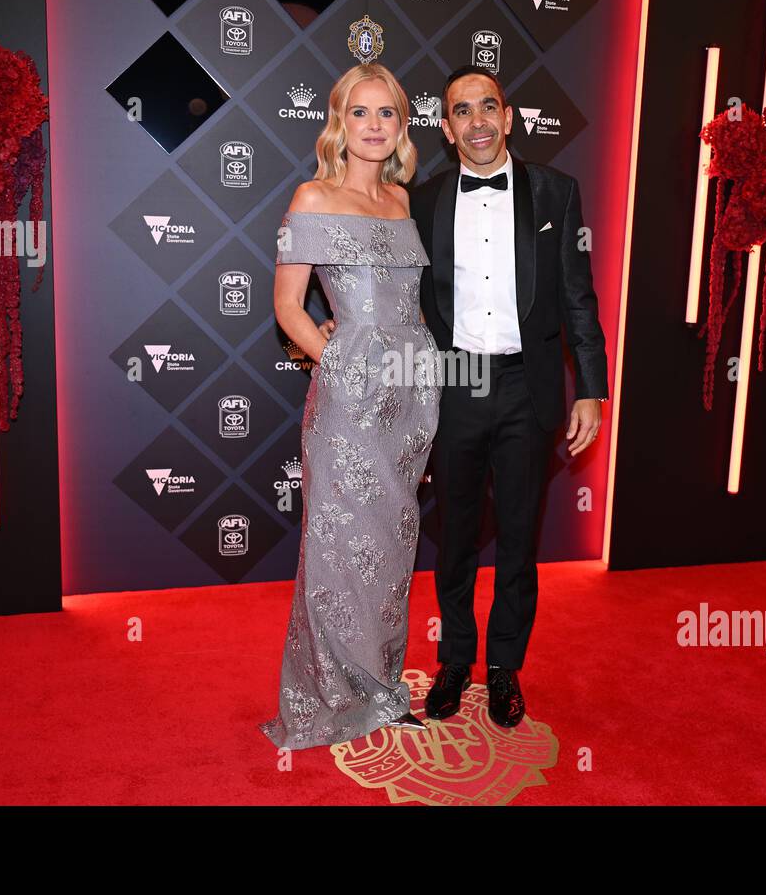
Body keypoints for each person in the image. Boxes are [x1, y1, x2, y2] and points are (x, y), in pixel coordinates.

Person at [411, 65, 608, 727]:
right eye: (462, 112)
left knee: (520, 539)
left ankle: (504, 668)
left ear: (510, 114)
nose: (478, 122)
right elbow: (404, 301)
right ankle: (455, 661)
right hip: (457, 384)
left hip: (529, 387)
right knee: (456, 535)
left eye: (487, 107)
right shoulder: (425, 199)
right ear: (446, 128)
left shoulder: (556, 192)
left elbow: (579, 296)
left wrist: (592, 389)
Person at [258, 62, 441, 750]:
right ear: (339, 122)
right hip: (349, 398)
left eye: (386, 113)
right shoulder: (312, 198)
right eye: (359, 113)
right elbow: (286, 306)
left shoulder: (400, 200)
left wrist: (418, 378)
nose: (373, 126)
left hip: (414, 385)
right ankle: (328, 698)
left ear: (401, 125)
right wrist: (339, 361)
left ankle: (381, 686)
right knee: (338, 545)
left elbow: (412, 306)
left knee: (393, 543)